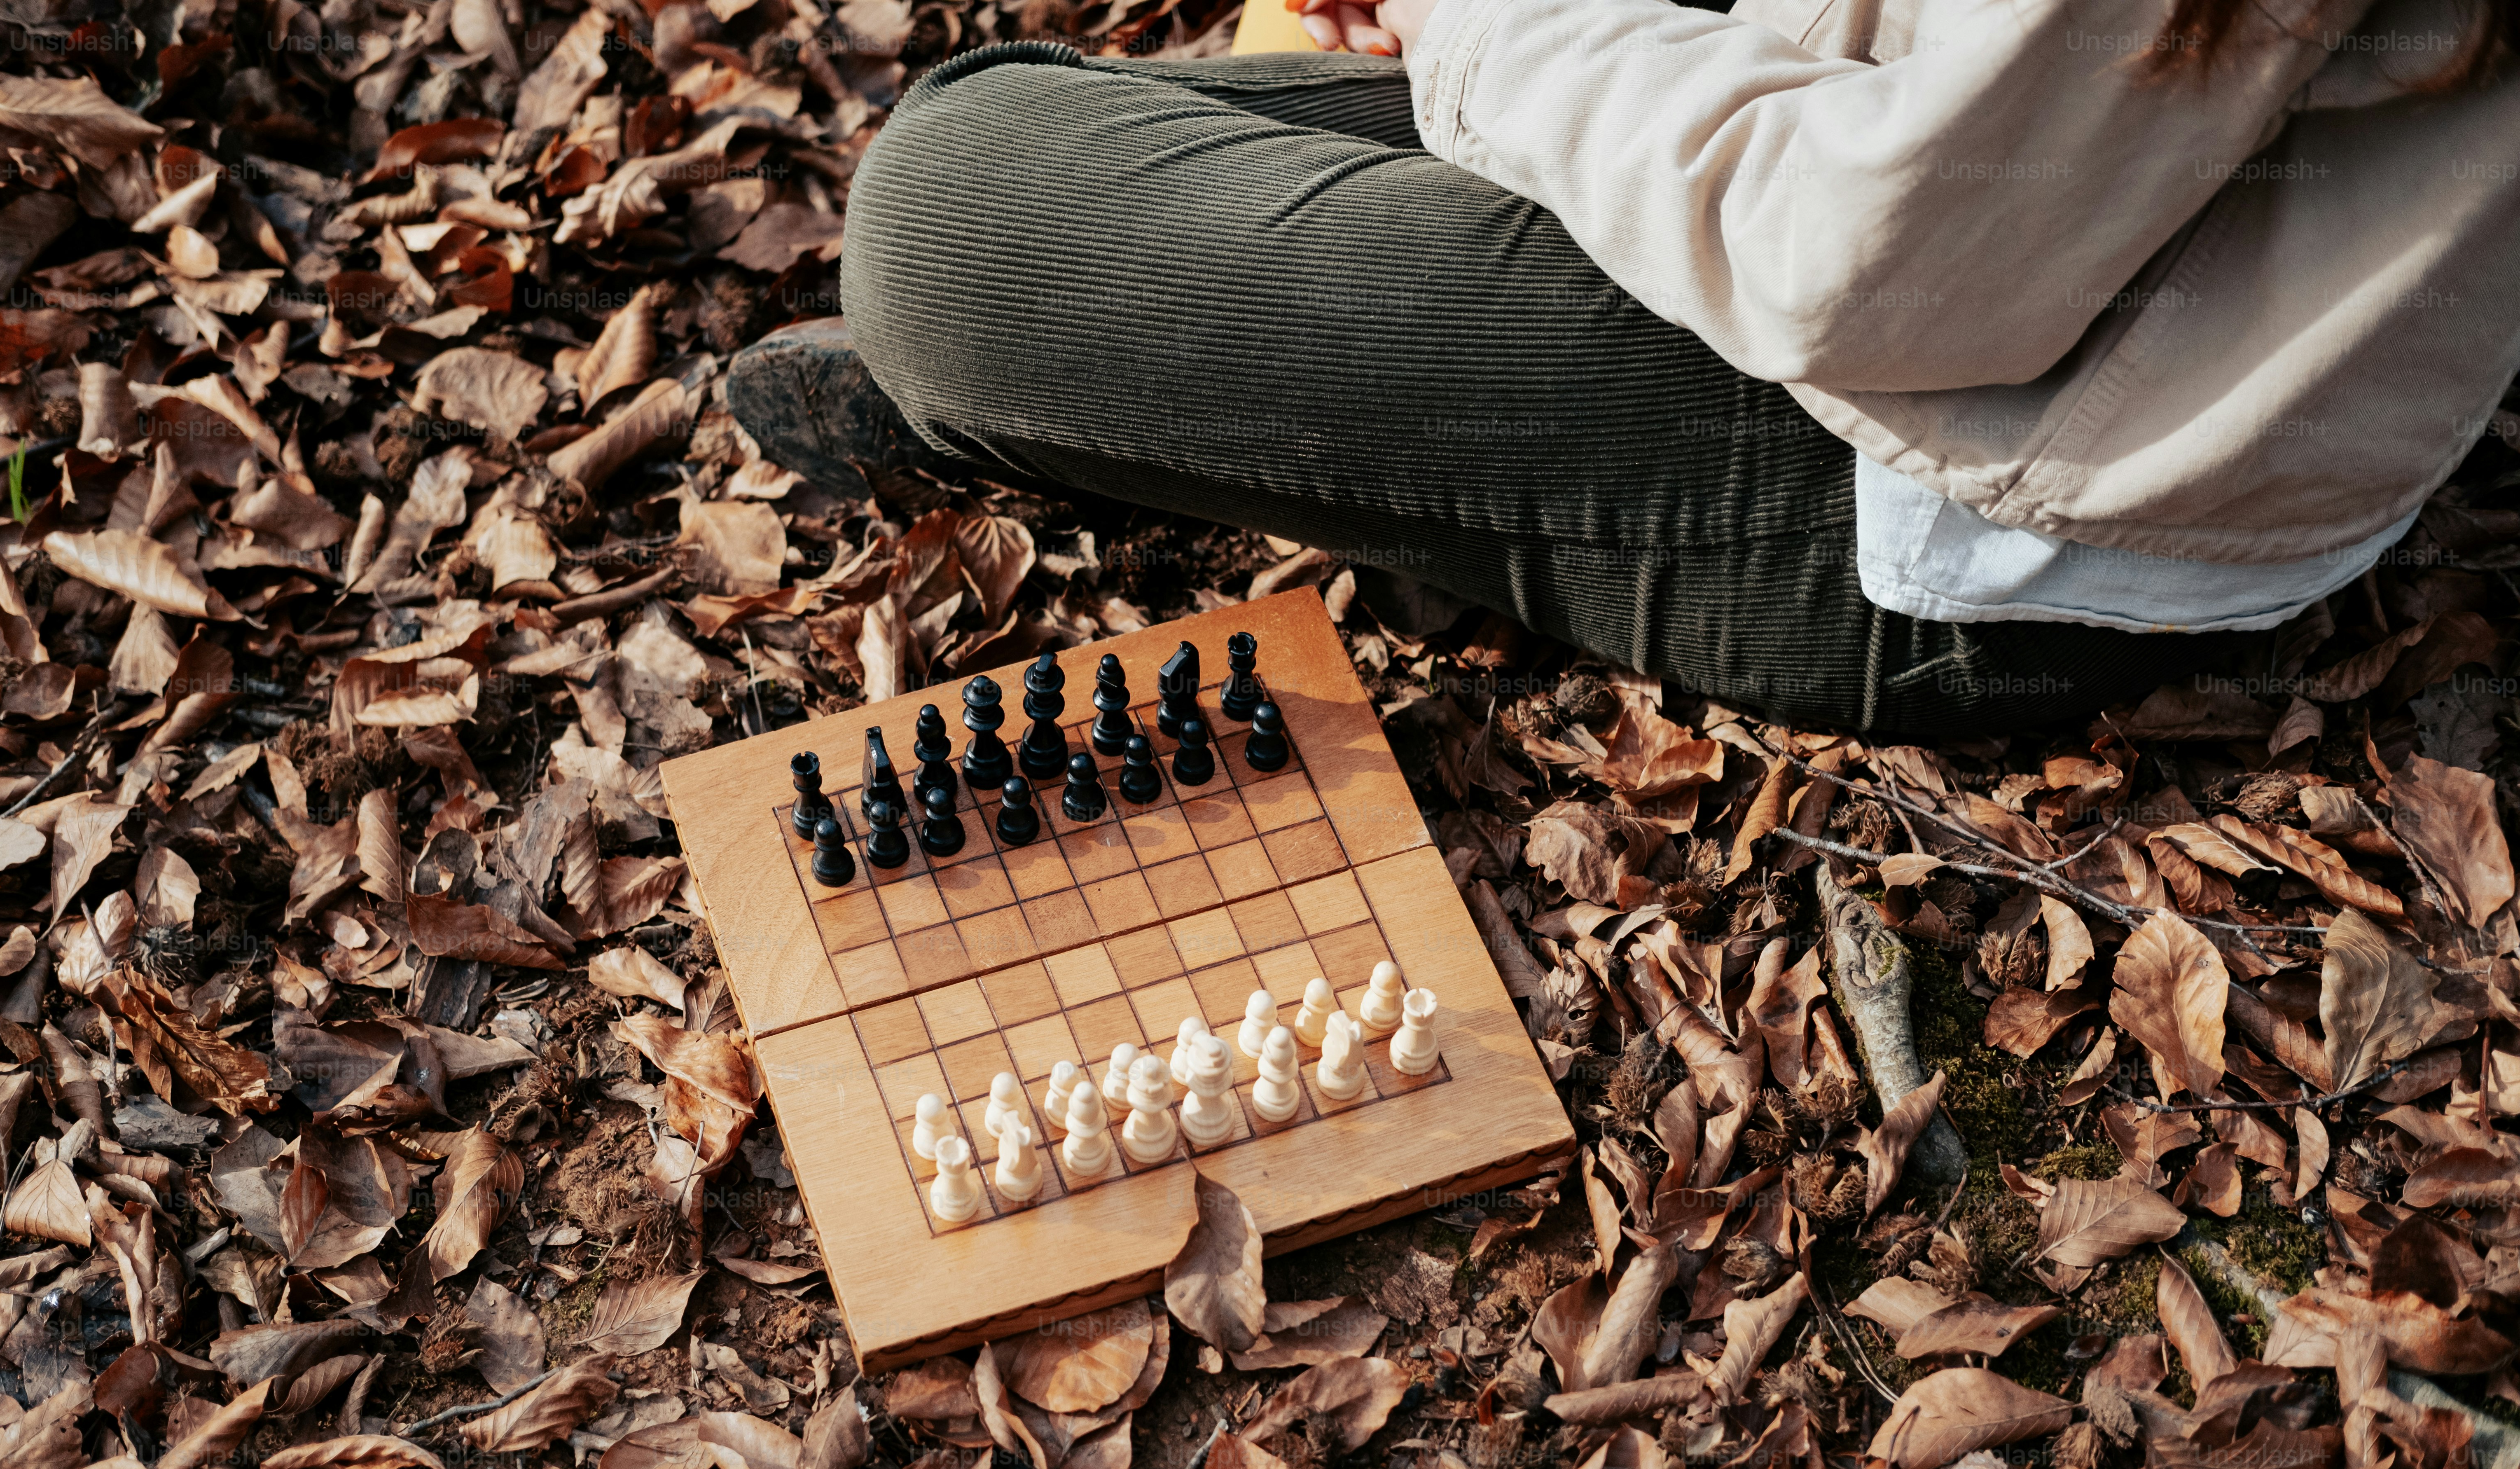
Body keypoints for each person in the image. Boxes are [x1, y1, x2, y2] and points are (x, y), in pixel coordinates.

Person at [728, 0, 2520, 734]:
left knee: (947, 217)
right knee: (1020, 149)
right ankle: (1107, 360)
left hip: (1972, 477)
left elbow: (1880, 272)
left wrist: (1478, 23)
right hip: (1891, 181)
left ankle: (1063, 384)